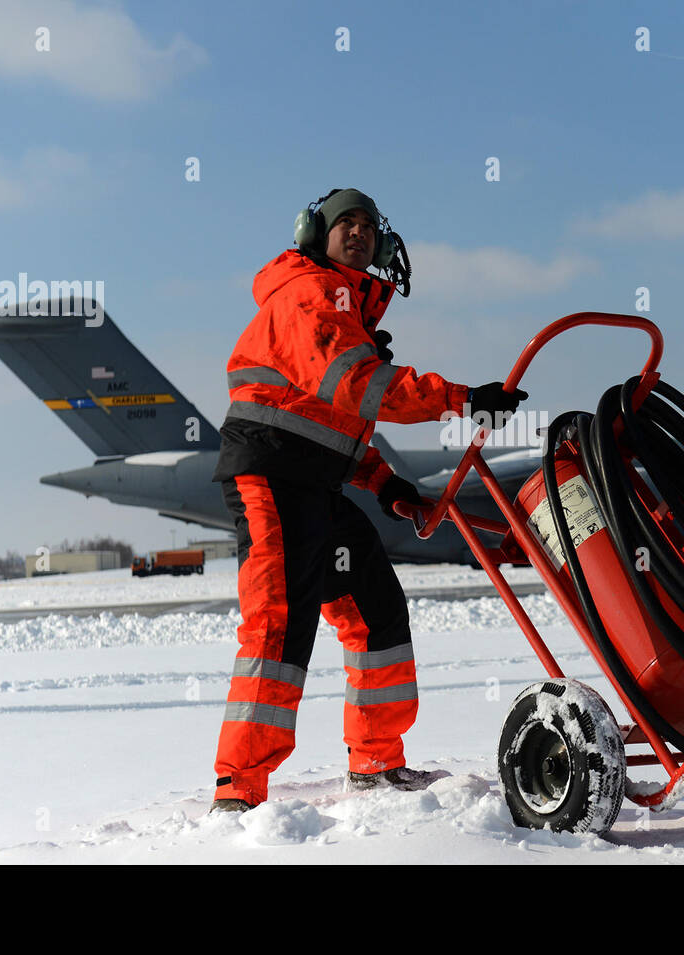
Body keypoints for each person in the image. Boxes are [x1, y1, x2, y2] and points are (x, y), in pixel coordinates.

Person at [209, 188, 526, 812]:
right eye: (344, 223)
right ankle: (239, 791)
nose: (358, 233)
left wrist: (385, 483)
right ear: (314, 234)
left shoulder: (344, 307)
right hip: (271, 477)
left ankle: (376, 764)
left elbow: (329, 420)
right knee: (278, 626)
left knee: (376, 611)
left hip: (319, 483)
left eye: (367, 226)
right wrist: (460, 398)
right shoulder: (308, 294)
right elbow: (361, 387)